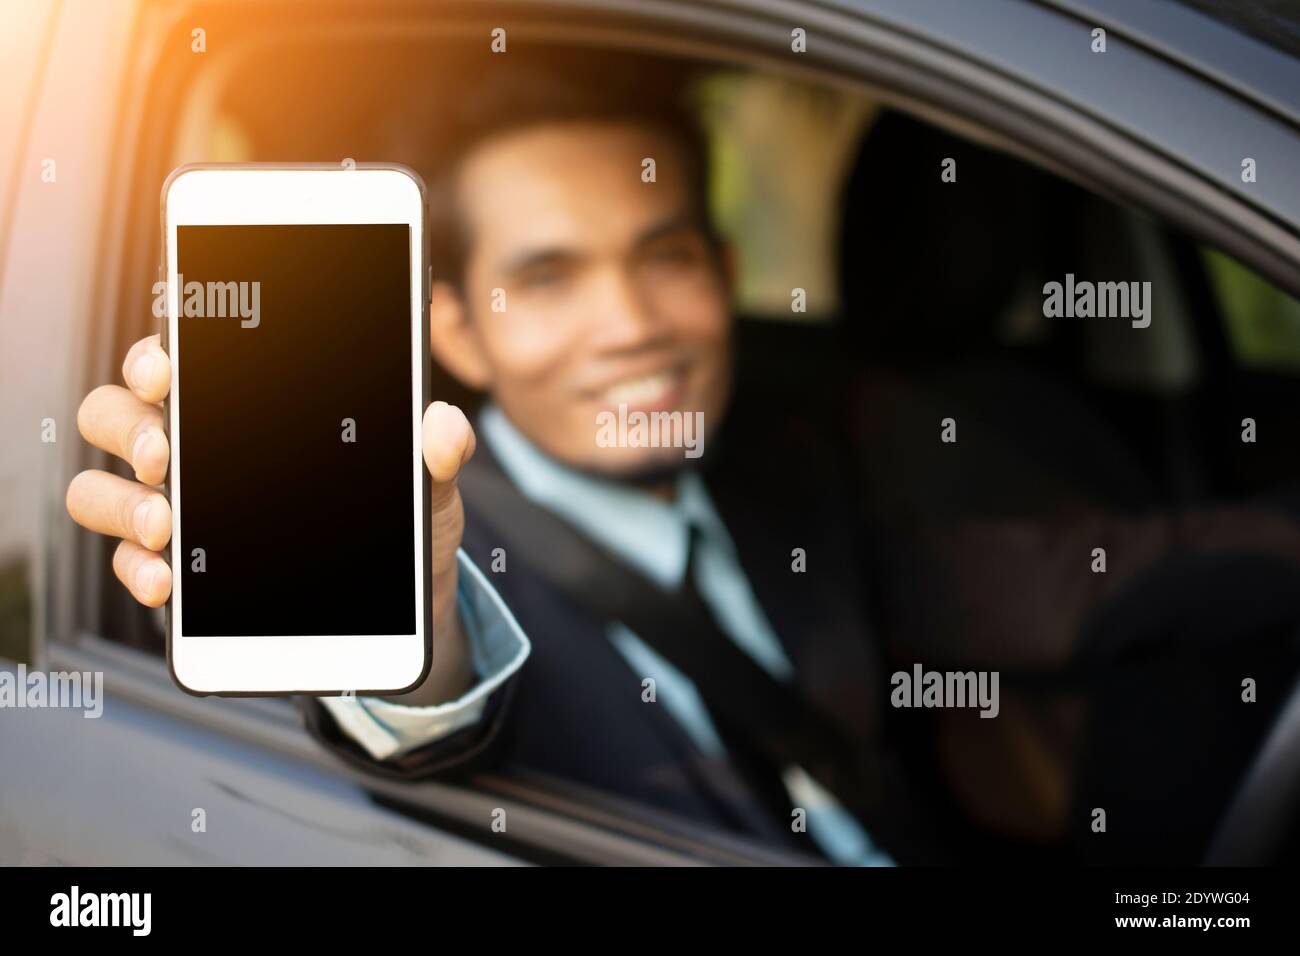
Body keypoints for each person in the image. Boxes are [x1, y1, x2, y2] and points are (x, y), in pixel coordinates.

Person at [65, 57, 918, 865]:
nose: (630, 324)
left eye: (666, 256)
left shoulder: (812, 473)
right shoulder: (436, 545)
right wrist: (413, 643)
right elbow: (426, 715)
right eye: (548, 279)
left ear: (725, 272)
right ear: (458, 333)